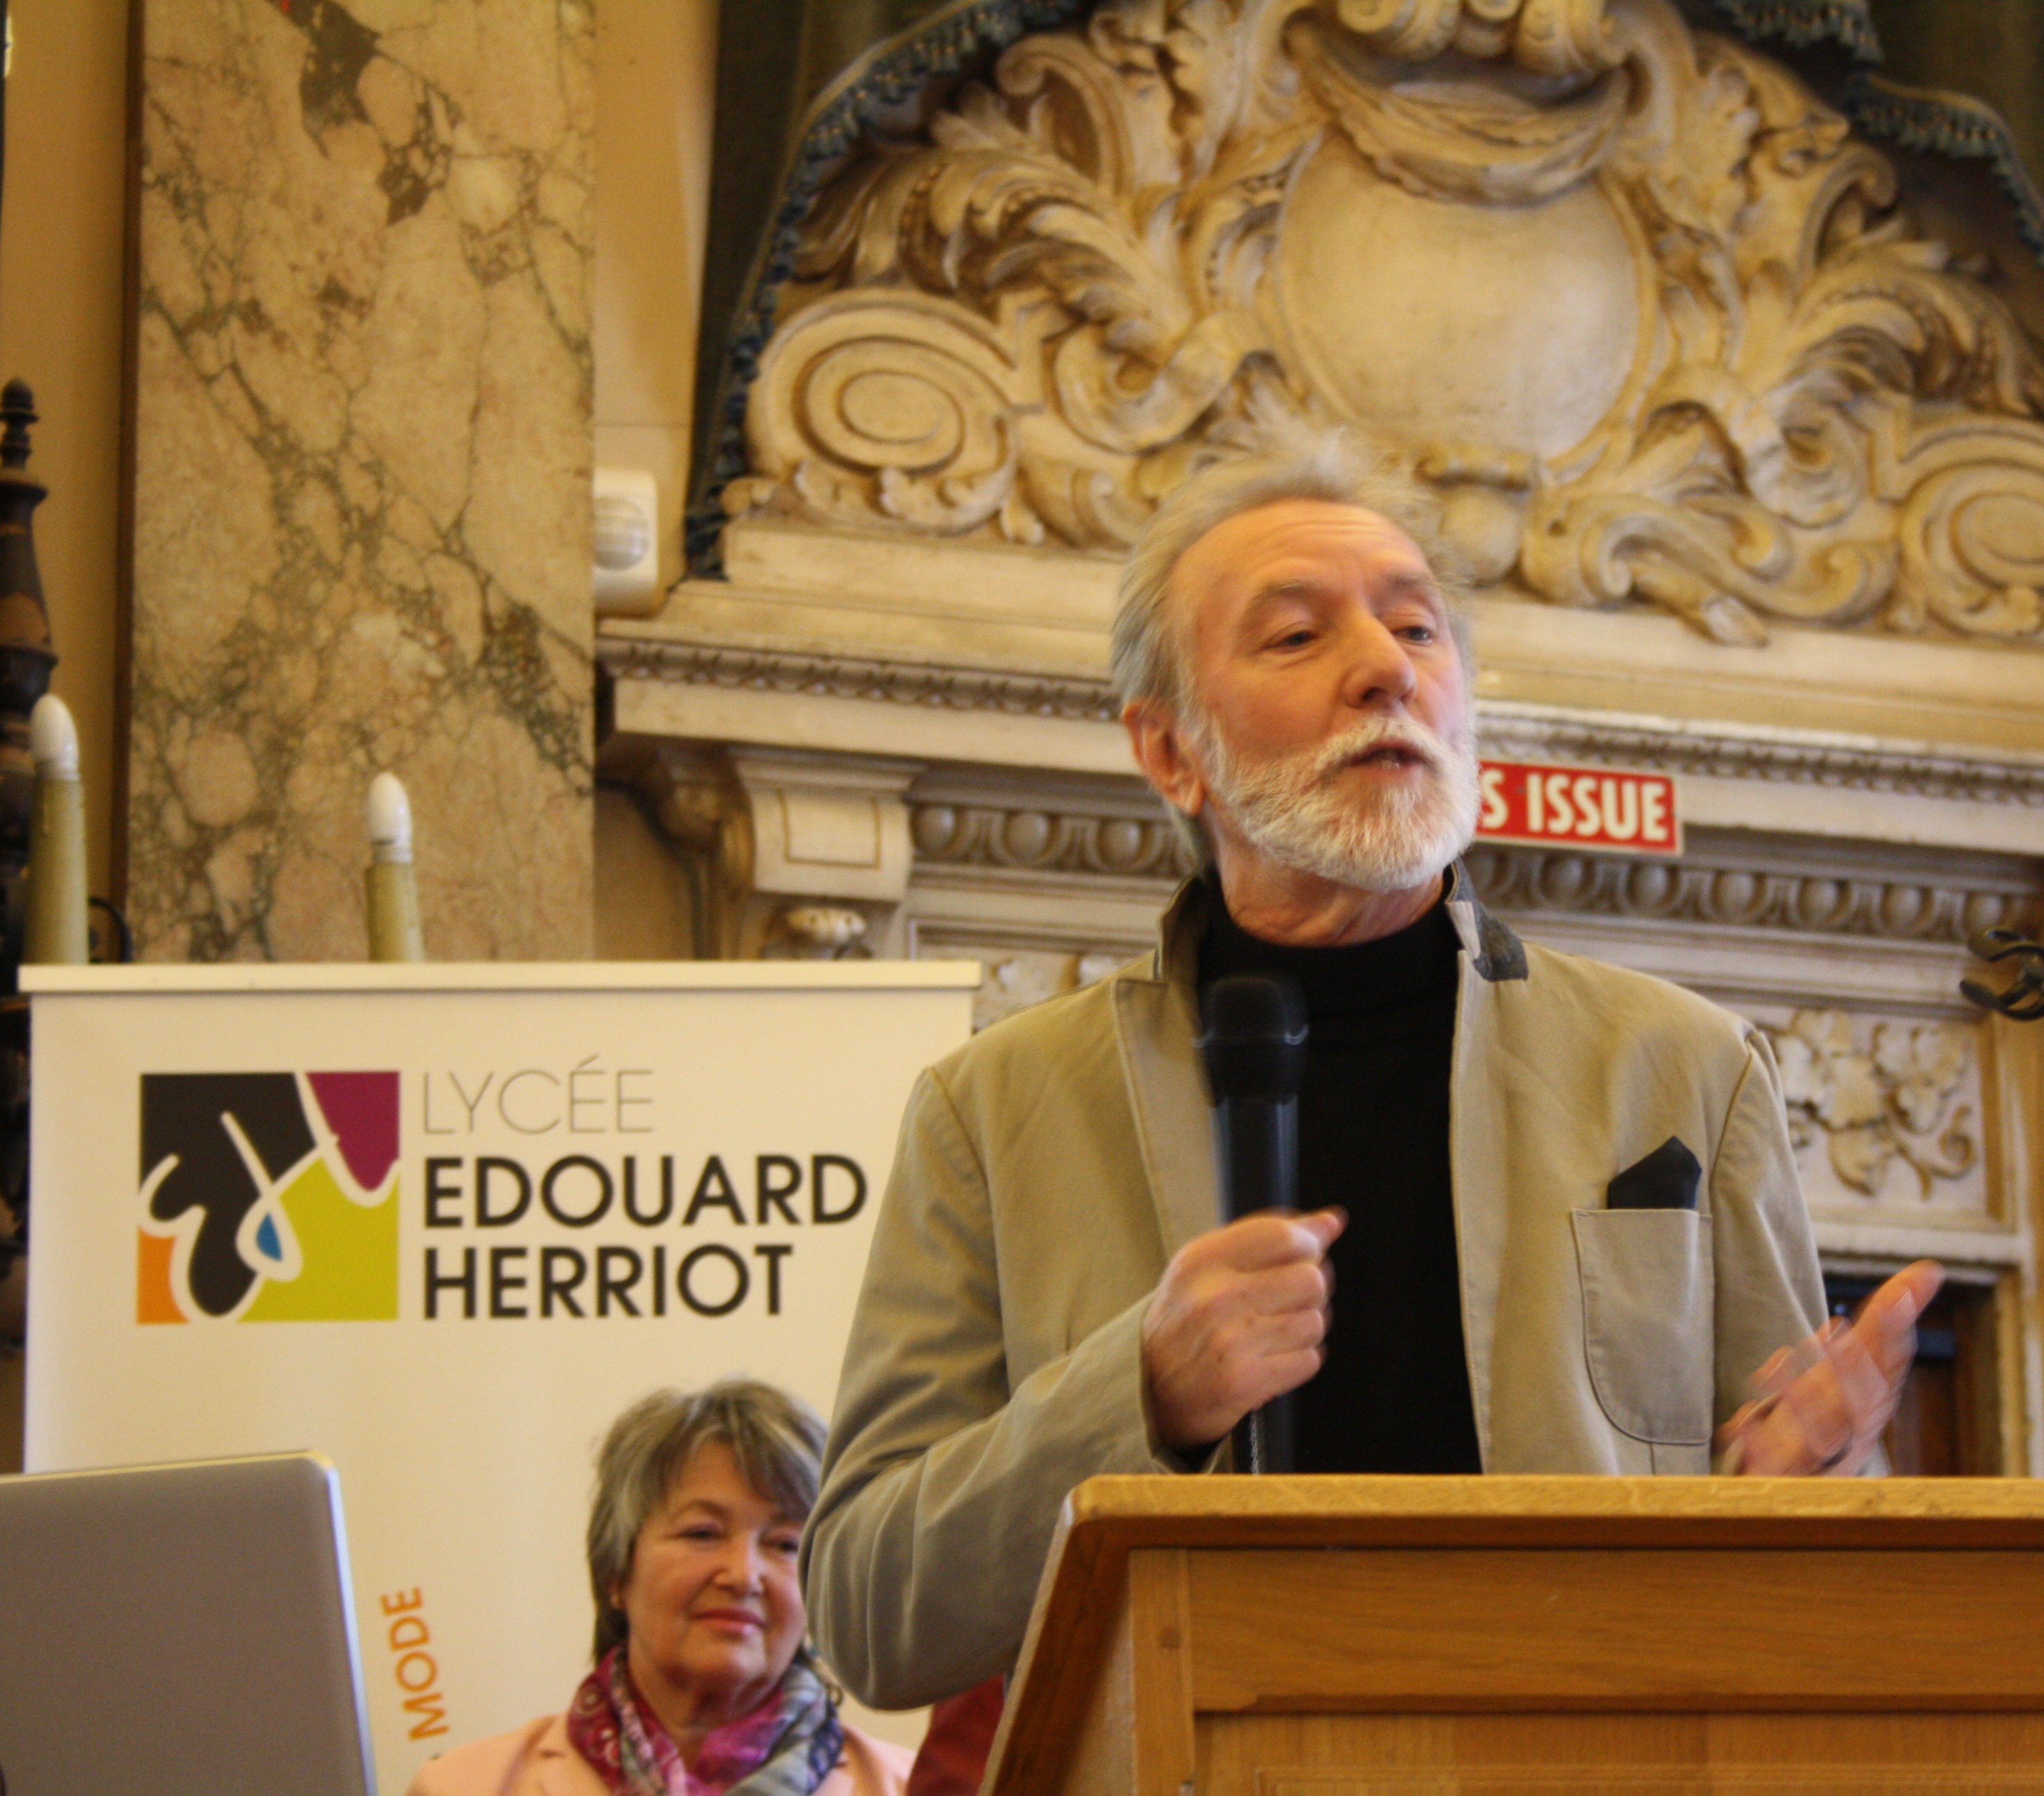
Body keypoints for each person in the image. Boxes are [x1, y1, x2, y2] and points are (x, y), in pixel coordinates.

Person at [804, 435, 1946, 1718]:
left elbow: (1789, 1564)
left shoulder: (1680, 1069)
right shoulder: (995, 1107)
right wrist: (1141, 1396)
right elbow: (861, 1613)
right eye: (1294, 638)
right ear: (1170, 750)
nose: (1383, 668)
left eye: (1418, 628)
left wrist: (1817, 1483)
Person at [409, 1380, 913, 1796]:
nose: (742, 1575)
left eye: (784, 1544)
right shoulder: (461, 1785)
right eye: (703, 1533)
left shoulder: (910, 1787)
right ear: (615, 1572)